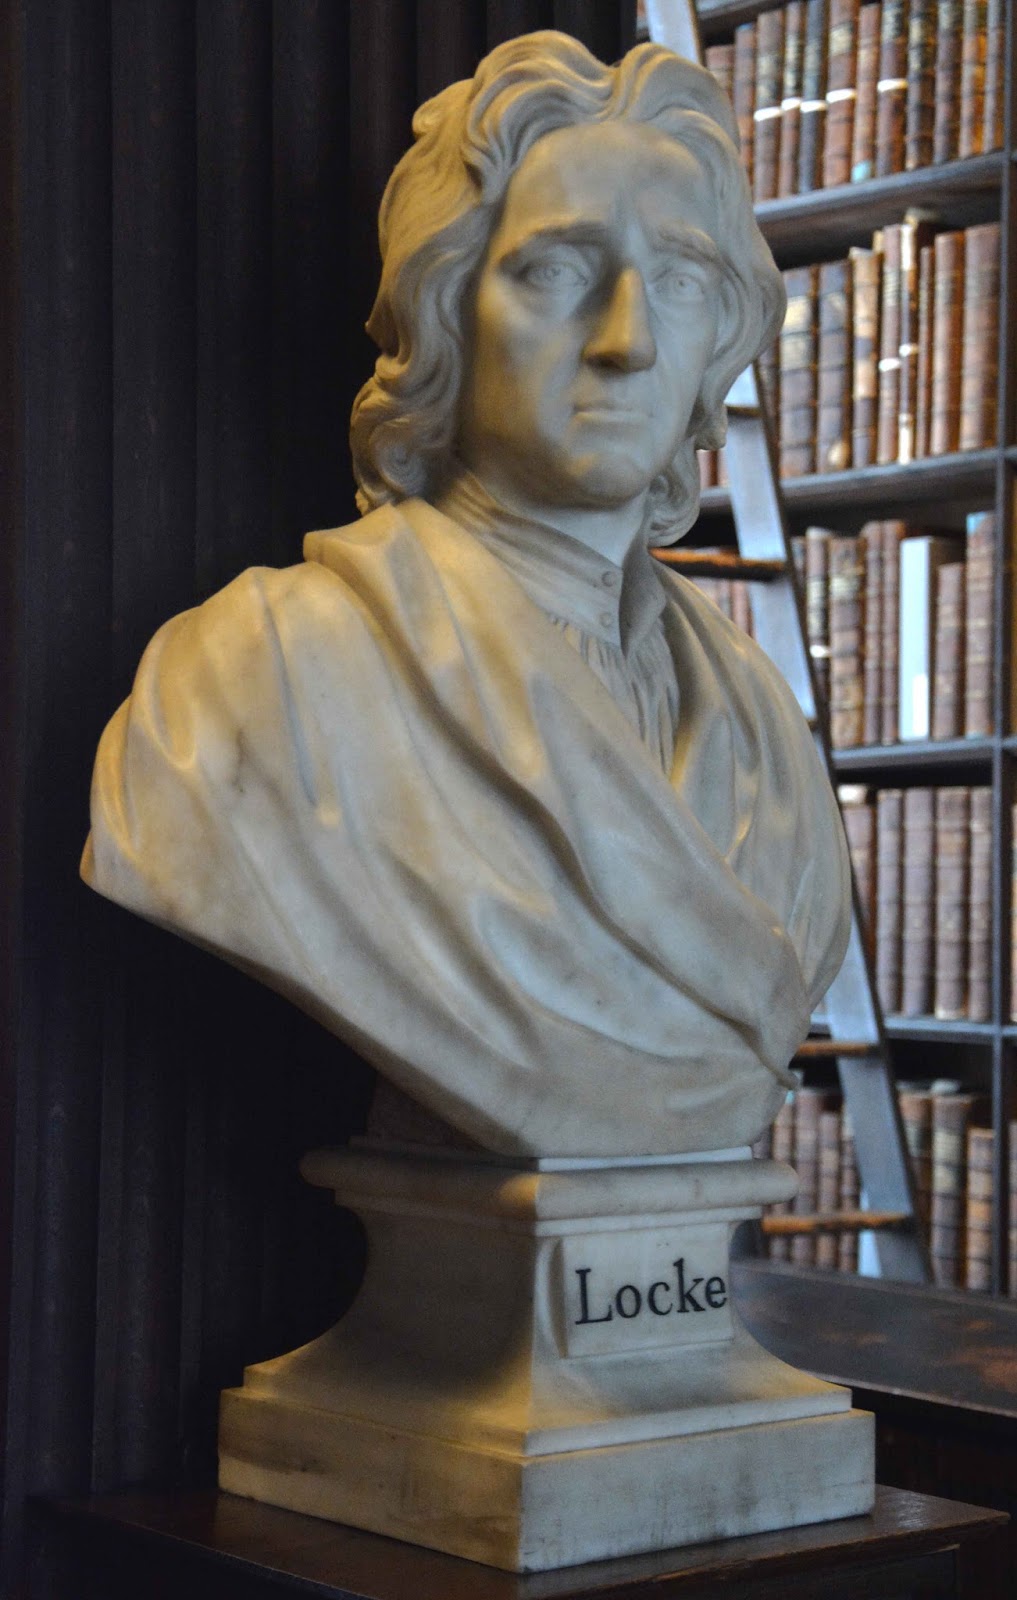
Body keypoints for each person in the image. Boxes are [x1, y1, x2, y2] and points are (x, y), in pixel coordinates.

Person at [82, 32, 850, 1159]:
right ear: (448, 311)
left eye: (680, 279)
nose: (629, 341)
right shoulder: (257, 683)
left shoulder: (758, 717)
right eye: (556, 269)